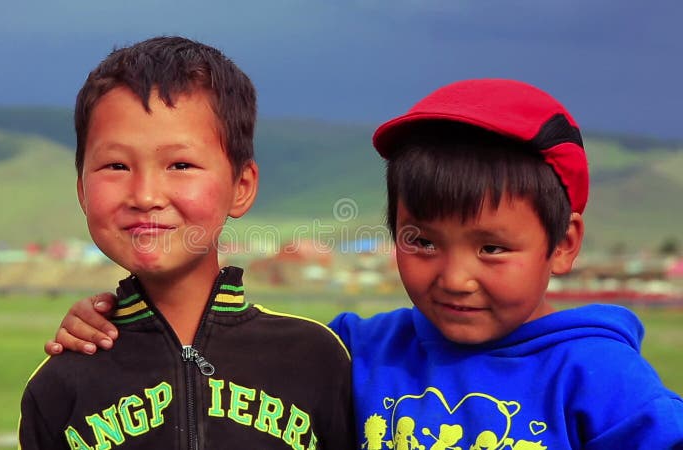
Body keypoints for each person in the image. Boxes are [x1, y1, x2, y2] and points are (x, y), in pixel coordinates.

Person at [45, 78, 683, 448]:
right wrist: (117, 321)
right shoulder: (356, 352)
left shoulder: (601, 378)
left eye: (492, 247)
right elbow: (234, 342)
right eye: (422, 241)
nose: (454, 277)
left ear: (565, 244)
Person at [18, 36, 354, 450]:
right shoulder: (61, 383)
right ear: (83, 192)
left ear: (241, 187)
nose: (145, 195)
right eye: (116, 165)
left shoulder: (315, 359)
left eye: (180, 164)